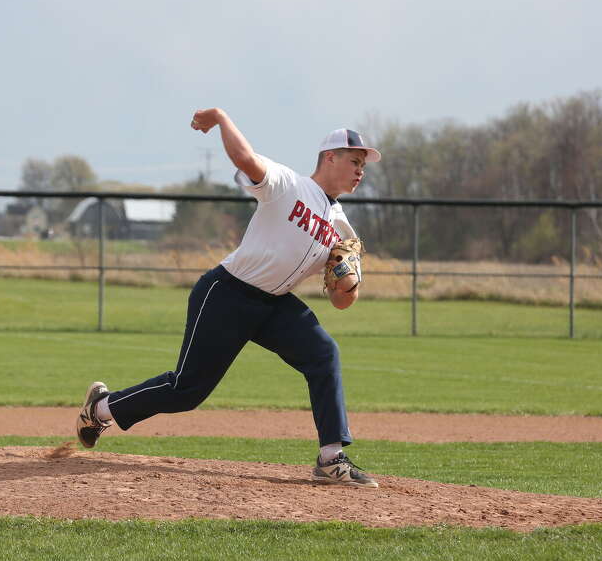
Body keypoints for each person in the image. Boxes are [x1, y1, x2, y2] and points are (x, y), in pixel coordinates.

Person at [75, 108, 381, 487]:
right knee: (186, 390)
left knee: (323, 353)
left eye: (363, 165)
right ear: (330, 157)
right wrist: (221, 118)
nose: (360, 170)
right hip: (228, 293)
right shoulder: (289, 184)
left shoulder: (341, 226)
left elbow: (341, 303)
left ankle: (331, 457)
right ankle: (101, 408)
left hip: (276, 305)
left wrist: (347, 285)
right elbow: (245, 159)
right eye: (354, 160)